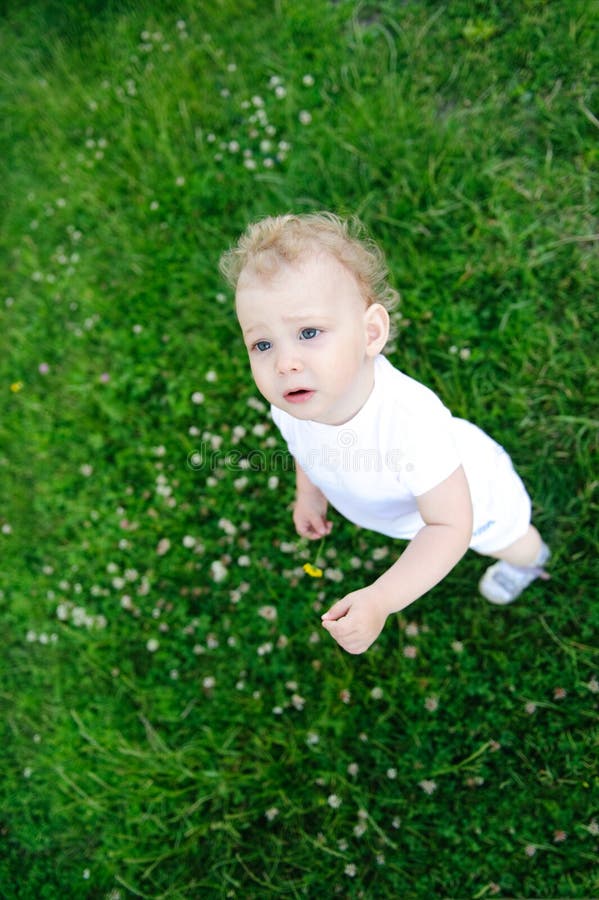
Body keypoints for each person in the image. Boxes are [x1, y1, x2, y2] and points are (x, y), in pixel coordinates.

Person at [219, 212, 550, 654]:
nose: (284, 362)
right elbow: (305, 448)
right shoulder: (297, 401)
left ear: (370, 332)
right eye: (263, 344)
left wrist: (381, 599)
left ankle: (531, 562)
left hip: (474, 500)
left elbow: (450, 525)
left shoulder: (410, 425)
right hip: (406, 506)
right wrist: (310, 493)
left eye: (308, 332)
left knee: (507, 539)